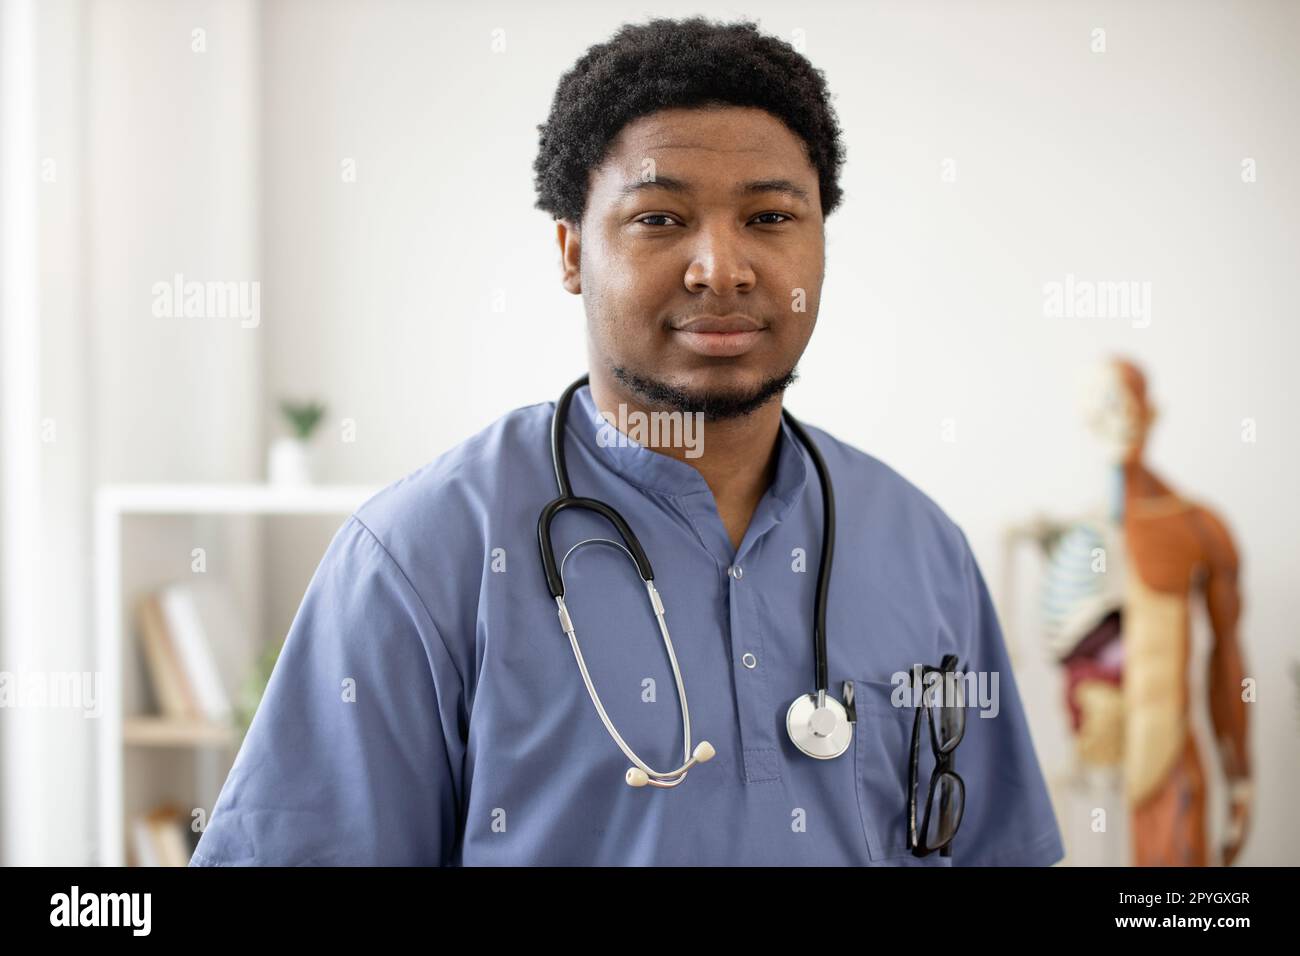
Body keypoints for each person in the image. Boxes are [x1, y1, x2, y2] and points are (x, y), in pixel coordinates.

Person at [190, 16, 1063, 867]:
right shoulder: (420, 558)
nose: (721, 268)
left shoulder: (923, 549)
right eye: (658, 219)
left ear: (821, 248)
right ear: (571, 253)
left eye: (768, 218)